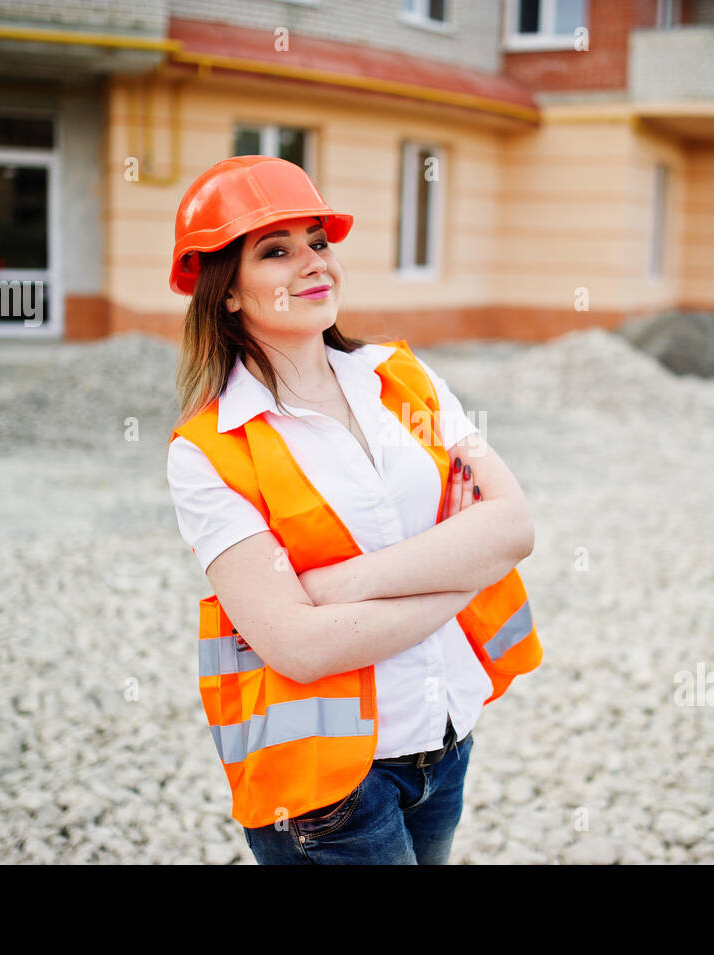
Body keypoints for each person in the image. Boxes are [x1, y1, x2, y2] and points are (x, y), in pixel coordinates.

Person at [166, 156, 542, 864]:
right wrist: (468, 564)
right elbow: (299, 646)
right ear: (227, 293)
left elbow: (514, 526)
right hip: (329, 789)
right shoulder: (208, 451)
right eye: (275, 251)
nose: (313, 264)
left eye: (318, 242)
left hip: (444, 742)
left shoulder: (403, 378)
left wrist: (344, 585)